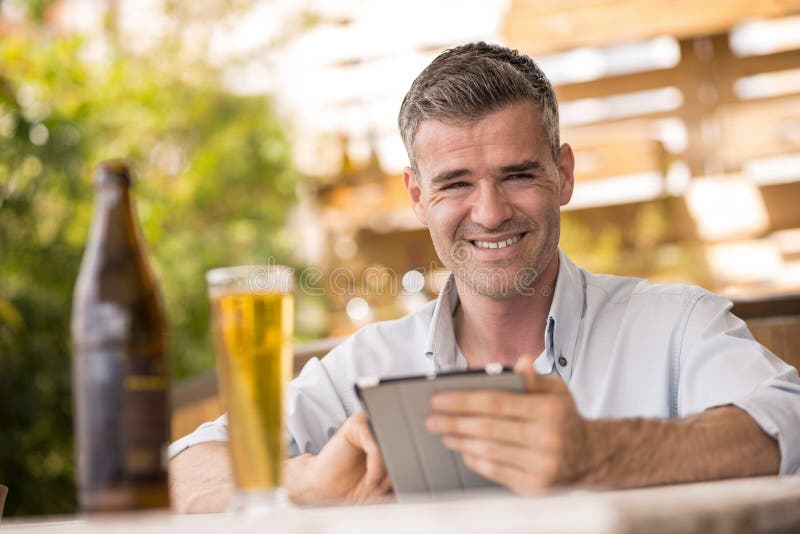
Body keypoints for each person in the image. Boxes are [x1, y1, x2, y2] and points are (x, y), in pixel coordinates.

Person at [169, 42, 800, 512]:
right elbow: (186, 468)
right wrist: (304, 483)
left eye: (518, 175)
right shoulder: (366, 364)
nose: (491, 211)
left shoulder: (676, 324)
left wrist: (600, 453)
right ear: (417, 197)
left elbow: (787, 422)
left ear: (566, 174)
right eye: (456, 184)